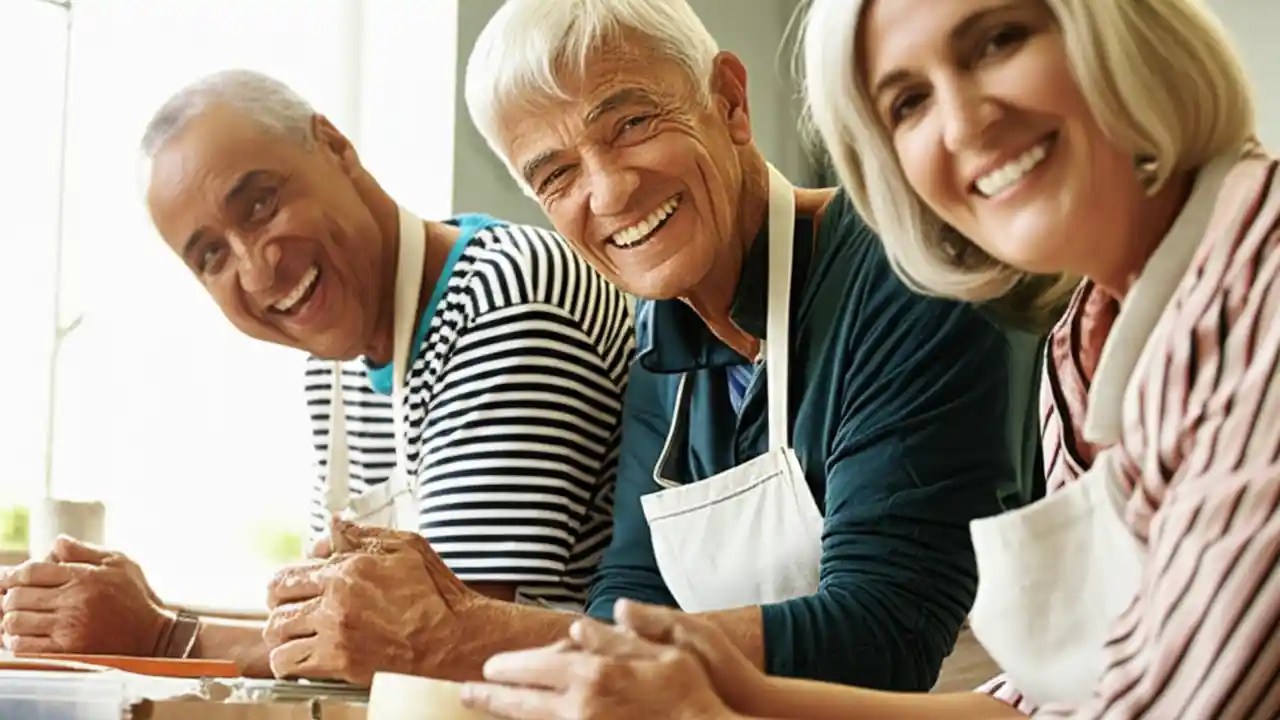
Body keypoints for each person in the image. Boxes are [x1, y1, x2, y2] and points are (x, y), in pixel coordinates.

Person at [458, 0, 1280, 718]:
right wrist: (710, 686)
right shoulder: (1086, 340)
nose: (963, 124)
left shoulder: (1255, 281)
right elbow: (1056, 698)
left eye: (996, 41)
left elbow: (902, 628)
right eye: (909, 101)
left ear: (731, 103)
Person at [234, 0, 1043, 692]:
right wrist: (456, 617)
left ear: (729, 100)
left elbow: (880, 635)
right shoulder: (666, 339)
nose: (609, 190)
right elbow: (625, 598)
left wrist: (466, 634)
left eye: (630, 123)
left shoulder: (905, 266)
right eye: (555, 176)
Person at [0, 70, 633, 685]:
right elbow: (325, 626)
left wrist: (163, 634)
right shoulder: (336, 365)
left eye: (259, 204)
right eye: (211, 256)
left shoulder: (505, 296)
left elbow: (427, 645)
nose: (258, 270)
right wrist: (129, 618)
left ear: (335, 146)